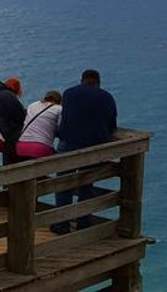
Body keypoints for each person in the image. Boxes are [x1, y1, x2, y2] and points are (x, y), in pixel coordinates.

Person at [52, 69, 118, 234]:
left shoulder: (68, 93)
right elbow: (112, 124)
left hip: (69, 142)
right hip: (92, 146)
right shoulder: (107, 97)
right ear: (98, 83)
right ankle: (83, 222)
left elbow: (66, 116)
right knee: (86, 184)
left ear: (82, 80)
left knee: (63, 184)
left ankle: (61, 225)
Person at [15, 90, 63, 161]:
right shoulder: (58, 109)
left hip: (21, 146)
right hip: (41, 148)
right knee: (59, 160)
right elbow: (61, 129)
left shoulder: (32, 105)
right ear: (59, 101)